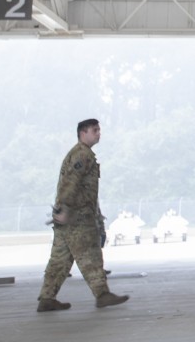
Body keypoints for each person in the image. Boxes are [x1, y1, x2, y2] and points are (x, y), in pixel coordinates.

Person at [37, 119, 129, 312]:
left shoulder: (80, 153)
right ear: (83, 133)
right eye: (94, 130)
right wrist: (65, 208)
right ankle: (102, 295)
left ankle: (47, 298)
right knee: (90, 254)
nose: (98, 134)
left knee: (59, 260)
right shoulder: (82, 155)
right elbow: (71, 183)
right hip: (77, 218)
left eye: (99, 130)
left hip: (69, 217)